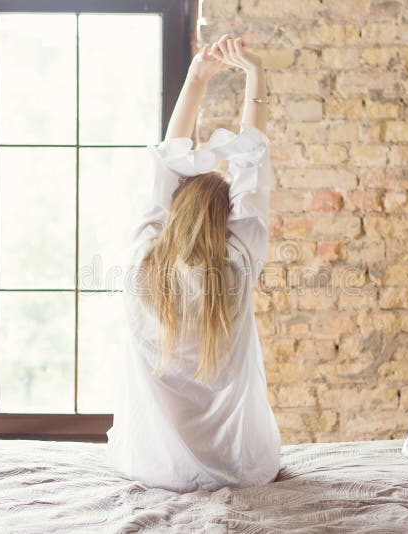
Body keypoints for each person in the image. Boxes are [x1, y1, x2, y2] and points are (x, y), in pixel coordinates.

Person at [105, 34, 281, 493]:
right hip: (239, 469)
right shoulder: (237, 266)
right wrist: (256, 75)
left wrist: (196, 77)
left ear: (172, 212)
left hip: (154, 468)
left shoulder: (140, 264)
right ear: (228, 220)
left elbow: (166, 164)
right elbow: (252, 167)